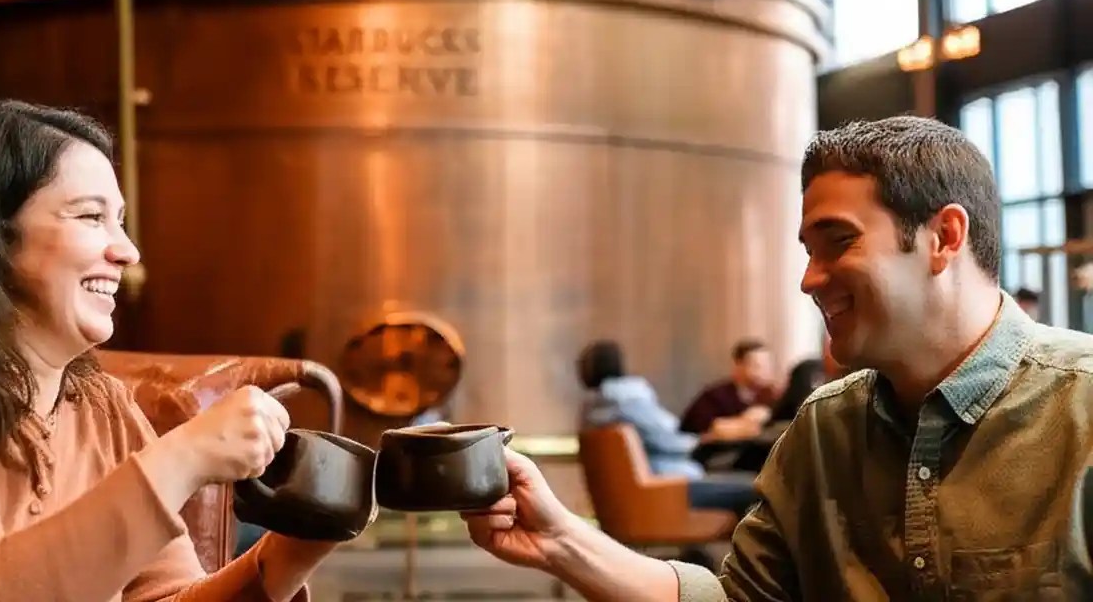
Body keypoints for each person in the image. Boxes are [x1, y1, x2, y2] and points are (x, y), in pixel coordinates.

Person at [461, 116, 1093, 600]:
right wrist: (561, 539)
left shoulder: (1081, 408)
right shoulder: (824, 427)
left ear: (943, 238)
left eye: (838, 243)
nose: (809, 280)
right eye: (807, 252)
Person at [0, 101, 343, 601]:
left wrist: (290, 553)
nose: (127, 251)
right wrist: (183, 457)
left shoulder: (100, 405)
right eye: (91, 217)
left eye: (120, 219)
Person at [577, 340, 756, 517]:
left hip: (648, 488)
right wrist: (705, 439)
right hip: (668, 484)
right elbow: (668, 439)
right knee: (757, 490)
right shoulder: (629, 402)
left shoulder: (594, 409)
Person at [679, 339, 776, 438]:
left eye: (767, 366)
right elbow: (703, 431)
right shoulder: (715, 397)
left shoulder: (774, 396)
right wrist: (744, 422)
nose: (764, 371)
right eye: (757, 366)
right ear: (738, 365)